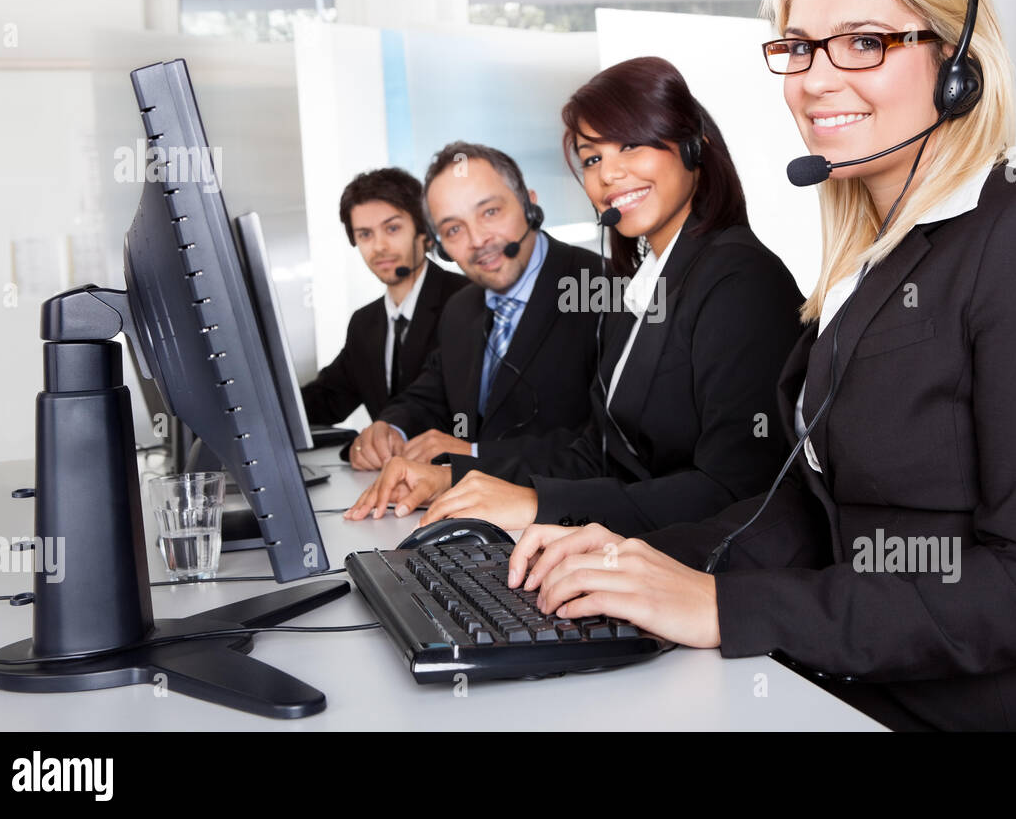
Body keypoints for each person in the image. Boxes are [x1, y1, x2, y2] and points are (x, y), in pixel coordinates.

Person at [498, 0, 1016, 732]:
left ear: (956, 64)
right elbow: (802, 511)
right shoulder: (865, 271)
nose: (816, 79)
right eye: (798, 46)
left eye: (863, 40)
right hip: (876, 686)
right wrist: (642, 561)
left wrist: (729, 608)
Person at [345, 57, 805, 537]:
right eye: (592, 158)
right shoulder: (648, 283)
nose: (609, 175)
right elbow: (599, 453)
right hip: (636, 549)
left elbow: (740, 493)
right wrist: (451, 477)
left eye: (630, 144)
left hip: (697, 578)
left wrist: (539, 506)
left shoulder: (740, 281)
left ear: (693, 147)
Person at [346, 141, 603, 472]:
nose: (477, 239)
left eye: (490, 212)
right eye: (454, 229)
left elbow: (607, 446)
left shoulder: (602, 289)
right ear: (441, 246)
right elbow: (429, 395)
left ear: (529, 204)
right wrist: (389, 428)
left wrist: (476, 454)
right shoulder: (461, 308)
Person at [301, 167, 469, 437]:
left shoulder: (466, 302)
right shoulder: (365, 323)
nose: (378, 246)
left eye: (392, 228)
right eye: (365, 234)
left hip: (458, 473)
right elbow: (328, 399)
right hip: (389, 473)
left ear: (424, 230)